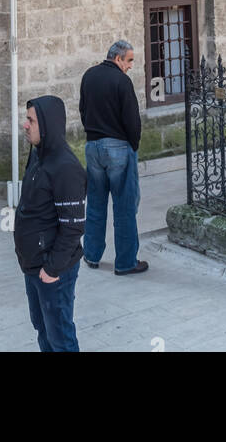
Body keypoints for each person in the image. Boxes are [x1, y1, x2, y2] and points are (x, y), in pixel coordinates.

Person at [13, 96, 87, 353]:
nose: (25, 125)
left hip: (52, 271)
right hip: (33, 265)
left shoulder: (66, 168)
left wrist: (52, 269)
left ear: (47, 124)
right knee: (42, 329)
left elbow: (74, 227)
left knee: (60, 338)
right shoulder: (37, 156)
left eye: (31, 120)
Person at [79, 39, 147, 275]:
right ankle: (126, 262)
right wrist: (133, 146)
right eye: (129, 61)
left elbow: (83, 109)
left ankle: (91, 254)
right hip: (118, 147)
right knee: (124, 206)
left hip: (93, 146)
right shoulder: (122, 81)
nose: (130, 66)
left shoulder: (88, 76)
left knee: (96, 204)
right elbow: (132, 119)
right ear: (117, 58)